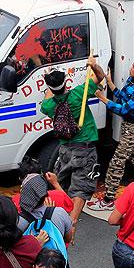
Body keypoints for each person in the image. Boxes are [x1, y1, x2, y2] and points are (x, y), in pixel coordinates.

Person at [87, 56, 134, 212]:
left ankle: (108, 199)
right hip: (127, 127)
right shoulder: (132, 82)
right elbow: (122, 96)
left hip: (133, 129)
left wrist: (101, 97)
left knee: (117, 162)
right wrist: (109, 81)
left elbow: (123, 109)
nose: (131, 68)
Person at [40, 68, 100, 227]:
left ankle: (56, 219)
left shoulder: (49, 105)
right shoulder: (78, 94)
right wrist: (94, 66)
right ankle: (71, 224)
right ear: (66, 82)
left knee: (61, 184)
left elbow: (48, 96)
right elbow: (100, 77)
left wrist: (49, 83)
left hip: (64, 150)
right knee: (81, 187)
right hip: (84, 148)